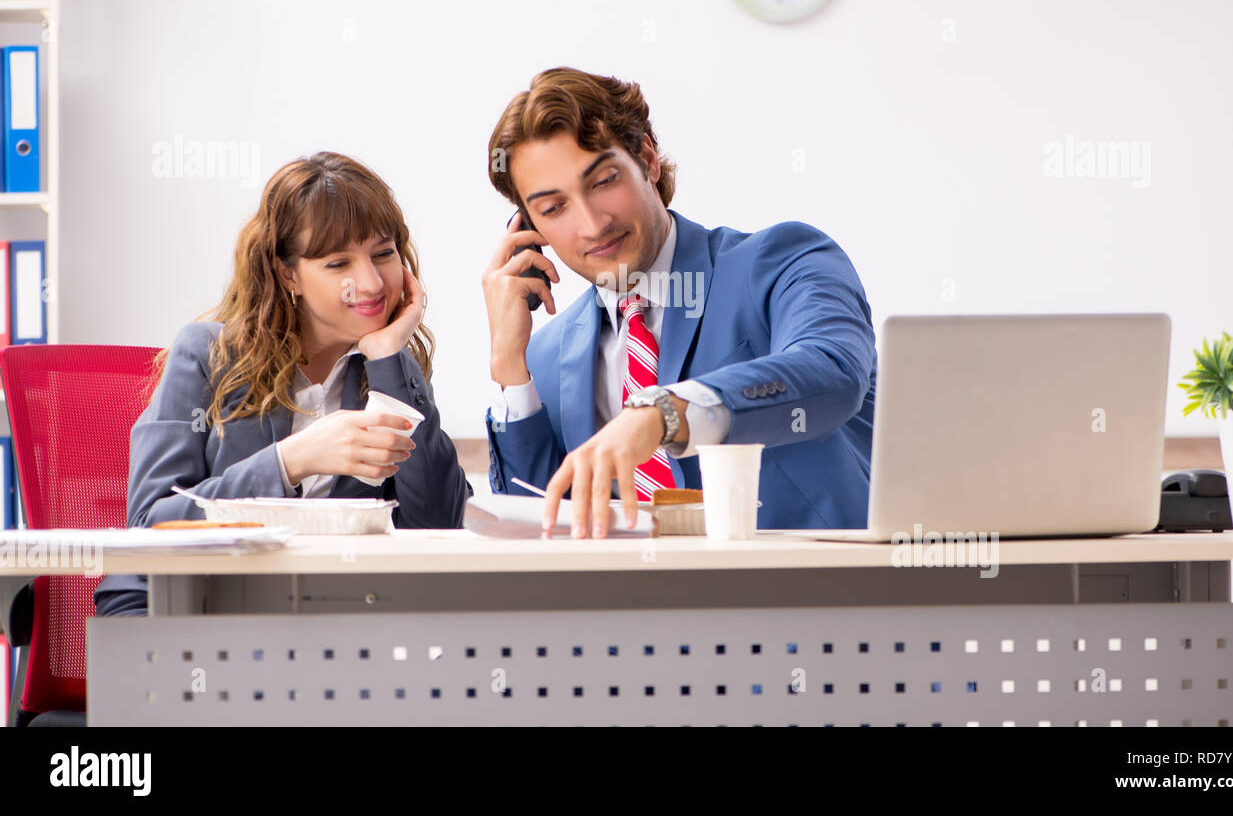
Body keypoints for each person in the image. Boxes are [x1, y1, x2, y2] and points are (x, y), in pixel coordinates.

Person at [481, 67, 876, 538]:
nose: (591, 224)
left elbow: (833, 371)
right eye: (553, 208)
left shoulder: (781, 262)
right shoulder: (543, 359)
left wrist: (663, 414)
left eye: (604, 180)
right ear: (530, 229)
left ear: (646, 158)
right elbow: (542, 537)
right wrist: (509, 367)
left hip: (823, 599)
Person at [95, 152, 471, 616]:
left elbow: (439, 526)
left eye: (383, 254)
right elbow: (150, 526)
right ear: (287, 273)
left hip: (316, 622)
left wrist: (390, 357)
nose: (371, 283)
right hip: (183, 610)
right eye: (338, 264)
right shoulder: (207, 355)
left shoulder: (390, 368)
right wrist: (291, 461)